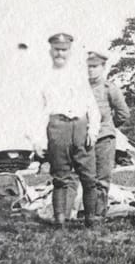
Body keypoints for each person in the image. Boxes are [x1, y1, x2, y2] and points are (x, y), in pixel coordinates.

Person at [31, 33, 101, 227]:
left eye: (64, 50)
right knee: (60, 177)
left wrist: (92, 131)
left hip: (80, 128)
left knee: (89, 178)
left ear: (70, 51)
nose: (60, 53)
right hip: (57, 128)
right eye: (57, 49)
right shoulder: (43, 76)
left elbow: (92, 106)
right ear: (50, 50)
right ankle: (59, 221)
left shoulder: (79, 75)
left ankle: (91, 220)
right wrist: (37, 140)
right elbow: (37, 111)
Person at [86, 50, 130, 217]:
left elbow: (123, 114)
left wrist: (109, 127)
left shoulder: (109, 88)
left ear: (103, 67)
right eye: (88, 67)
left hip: (104, 138)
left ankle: (99, 214)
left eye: (95, 66)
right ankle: (87, 213)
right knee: (86, 178)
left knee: (102, 179)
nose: (91, 70)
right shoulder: (82, 88)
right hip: (84, 139)